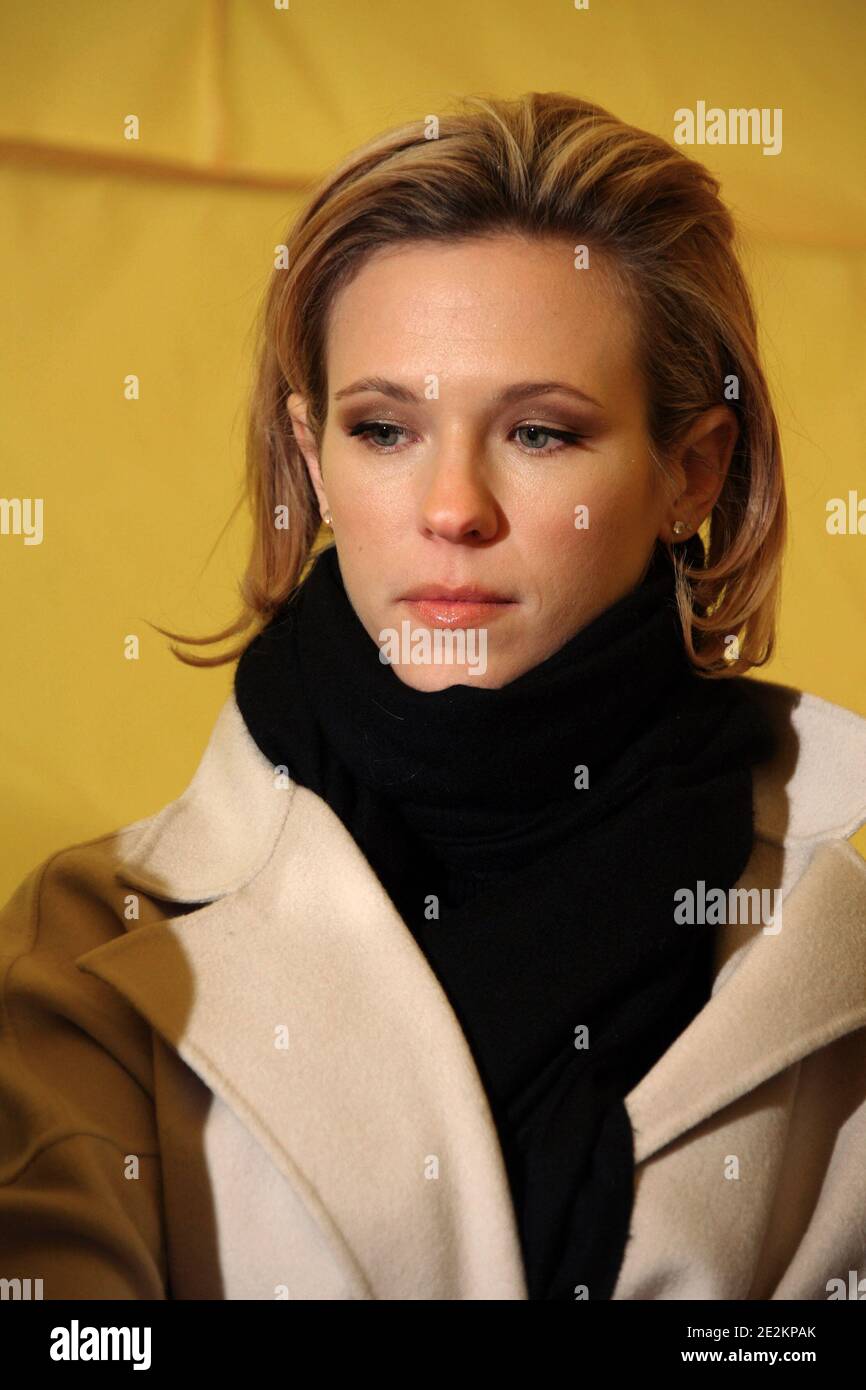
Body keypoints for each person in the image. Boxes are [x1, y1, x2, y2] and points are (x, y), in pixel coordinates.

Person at [2, 91, 866, 1302]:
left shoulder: (836, 949)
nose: (450, 508)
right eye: (384, 428)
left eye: (541, 433)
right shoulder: (93, 949)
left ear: (690, 471)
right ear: (314, 460)